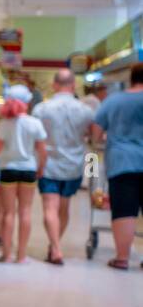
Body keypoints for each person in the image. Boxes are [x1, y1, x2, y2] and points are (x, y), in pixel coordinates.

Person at [0, 85, 48, 263]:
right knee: (25, 212)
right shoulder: (35, 123)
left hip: (8, 170)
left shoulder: (4, 124)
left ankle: (6, 253)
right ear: (27, 102)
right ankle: (21, 255)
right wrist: (41, 168)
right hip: (29, 170)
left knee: (8, 213)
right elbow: (43, 151)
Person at [32, 68, 95, 265]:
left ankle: (56, 248)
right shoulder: (86, 111)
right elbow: (92, 136)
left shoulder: (41, 109)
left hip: (48, 164)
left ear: (54, 85)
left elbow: (35, 139)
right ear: (73, 85)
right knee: (64, 207)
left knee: (50, 207)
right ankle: (54, 246)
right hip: (73, 165)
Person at [92, 62, 143, 269]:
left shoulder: (114, 101)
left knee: (124, 210)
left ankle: (122, 258)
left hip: (122, 161)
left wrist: (101, 140)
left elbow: (96, 132)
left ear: (130, 78)